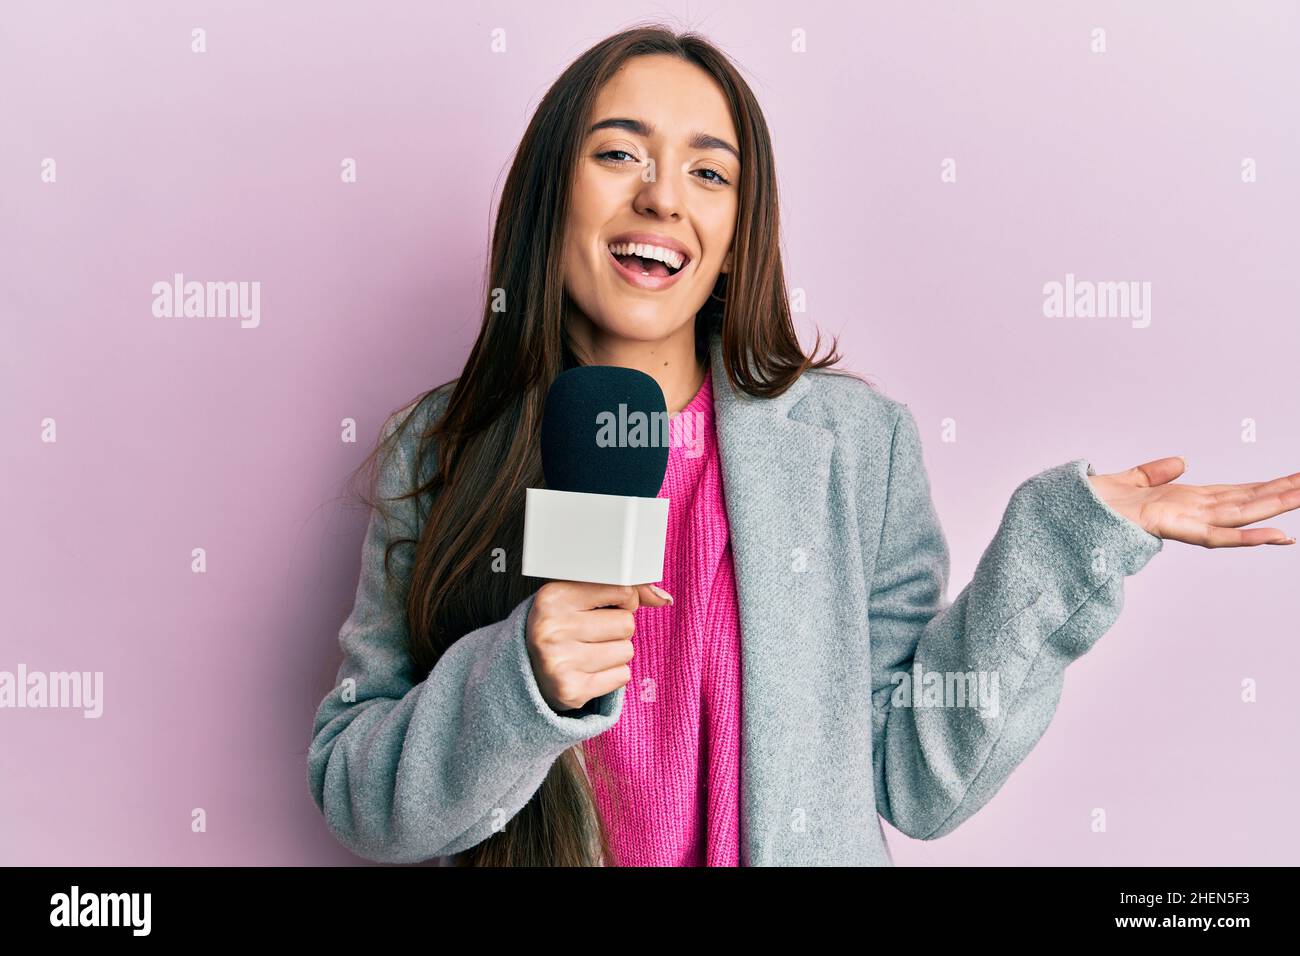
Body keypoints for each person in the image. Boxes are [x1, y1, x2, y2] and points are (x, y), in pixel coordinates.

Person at [307, 25, 1298, 867]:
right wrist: (515, 680)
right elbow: (355, 787)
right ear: (547, 194)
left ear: (736, 234)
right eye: (618, 153)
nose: (661, 196)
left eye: (707, 172)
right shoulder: (439, 445)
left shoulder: (853, 446)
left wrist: (1058, 545)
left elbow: (916, 778)